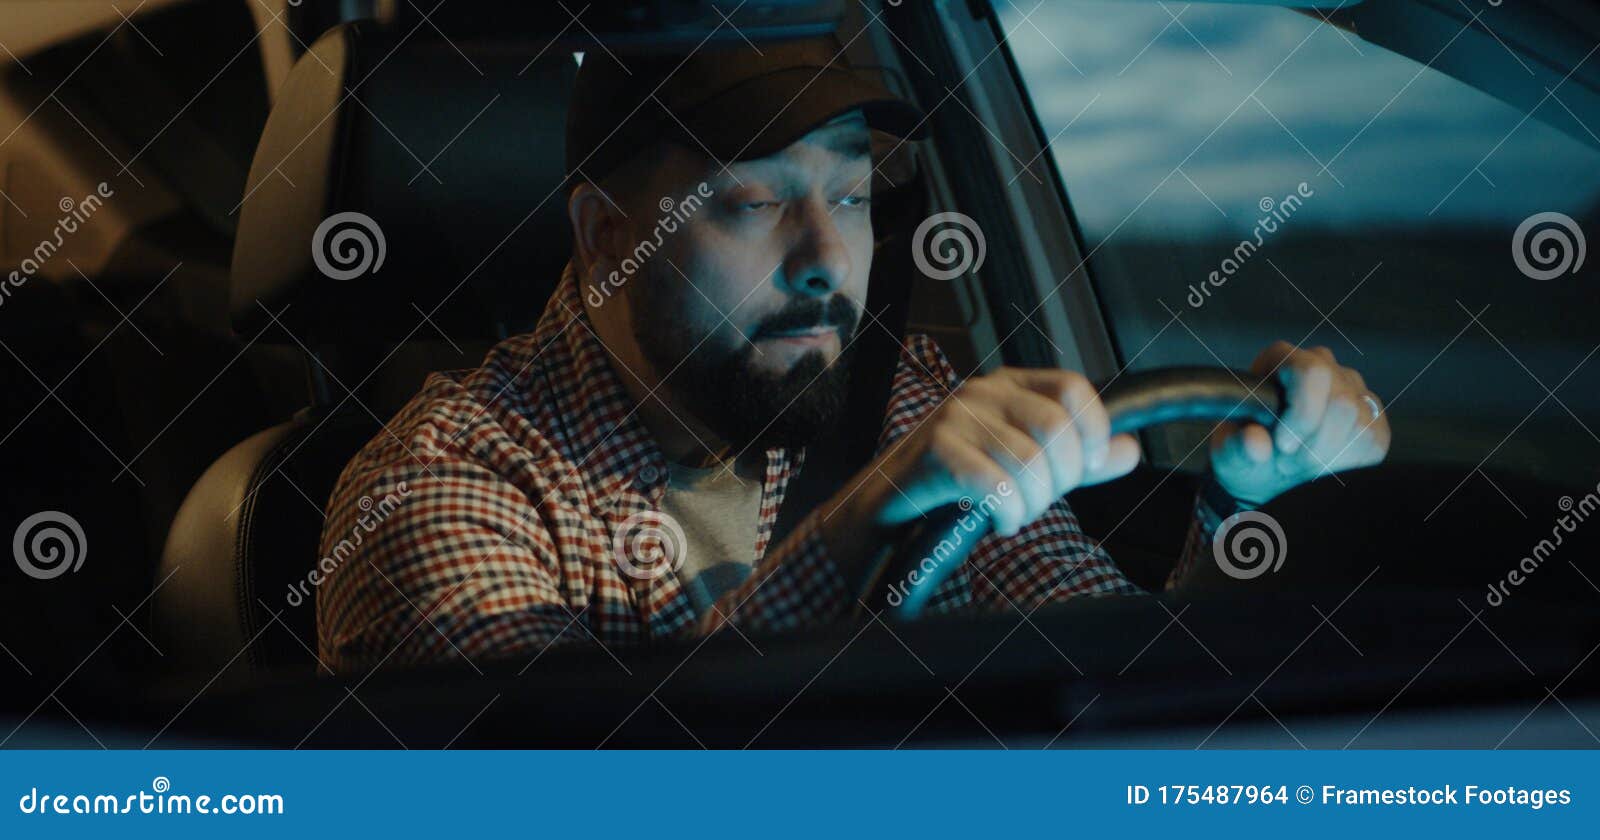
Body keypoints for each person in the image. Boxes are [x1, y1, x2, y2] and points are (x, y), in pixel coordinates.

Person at [315, 36, 1390, 670]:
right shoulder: (437, 489)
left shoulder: (907, 399)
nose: (829, 258)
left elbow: (1098, 672)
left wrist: (1242, 514)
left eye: (851, 194)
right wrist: (862, 523)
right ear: (607, 238)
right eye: (750, 200)